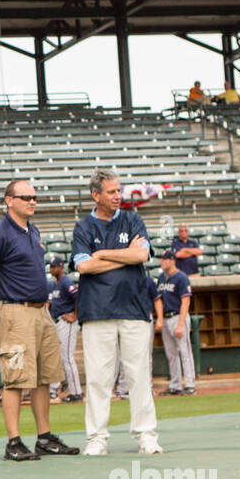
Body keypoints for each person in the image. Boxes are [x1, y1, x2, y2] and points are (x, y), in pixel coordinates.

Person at [0, 180, 78, 461]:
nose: (32, 202)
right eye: (25, 197)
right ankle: (13, 441)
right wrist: (10, 289)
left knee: (45, 376)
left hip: (40, 311)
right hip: (14, 310)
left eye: (34, 197)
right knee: (16, 377)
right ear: (9, 200)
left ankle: (44, 437)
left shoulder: (33, 230)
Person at [73, 168, 163, 456]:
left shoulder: (133, 218)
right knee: (99, 378)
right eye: (111, 191)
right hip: (96, 310)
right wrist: (123, 256)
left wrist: (102, 254)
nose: (117, 195)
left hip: (134, 308)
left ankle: (146, 435)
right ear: (95, 195)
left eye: (118, 190)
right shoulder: (83, 227)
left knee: (139, 375)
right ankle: (96, 438)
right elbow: (84, 266)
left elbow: (141, 255)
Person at [157, 249, 196, 395]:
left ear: (172, 260)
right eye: (161, 259)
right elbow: (159, 300)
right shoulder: (161, 277)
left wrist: (180, 324)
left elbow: (186, 301)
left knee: (185, 352)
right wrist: (160, 319)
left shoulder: (181, 277)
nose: (161, 261)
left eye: (164, 259)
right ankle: (175, 385)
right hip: (166, 318)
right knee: (171, 353)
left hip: (178, 316)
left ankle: (190, 385)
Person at [113, 275, 158, 400]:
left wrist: (159, 319)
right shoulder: (122, 280)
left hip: (144, 316)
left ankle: (147, 387)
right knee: (124, 355)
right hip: (127, 316)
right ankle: (123, 388)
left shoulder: (148, 280)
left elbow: (157, 299)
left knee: (146, 355)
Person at [46, 257, 82, 404]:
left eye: (55, 266)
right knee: (62, 358)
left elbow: (78, 296)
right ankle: (69, 390)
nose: (52, 269)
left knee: (67, 358)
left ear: (61, 267)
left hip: (66, 323)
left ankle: (77, 392)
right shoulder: (56, 284)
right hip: (57, 322)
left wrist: (75, 315)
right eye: (51, 266)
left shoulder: (66, 281)